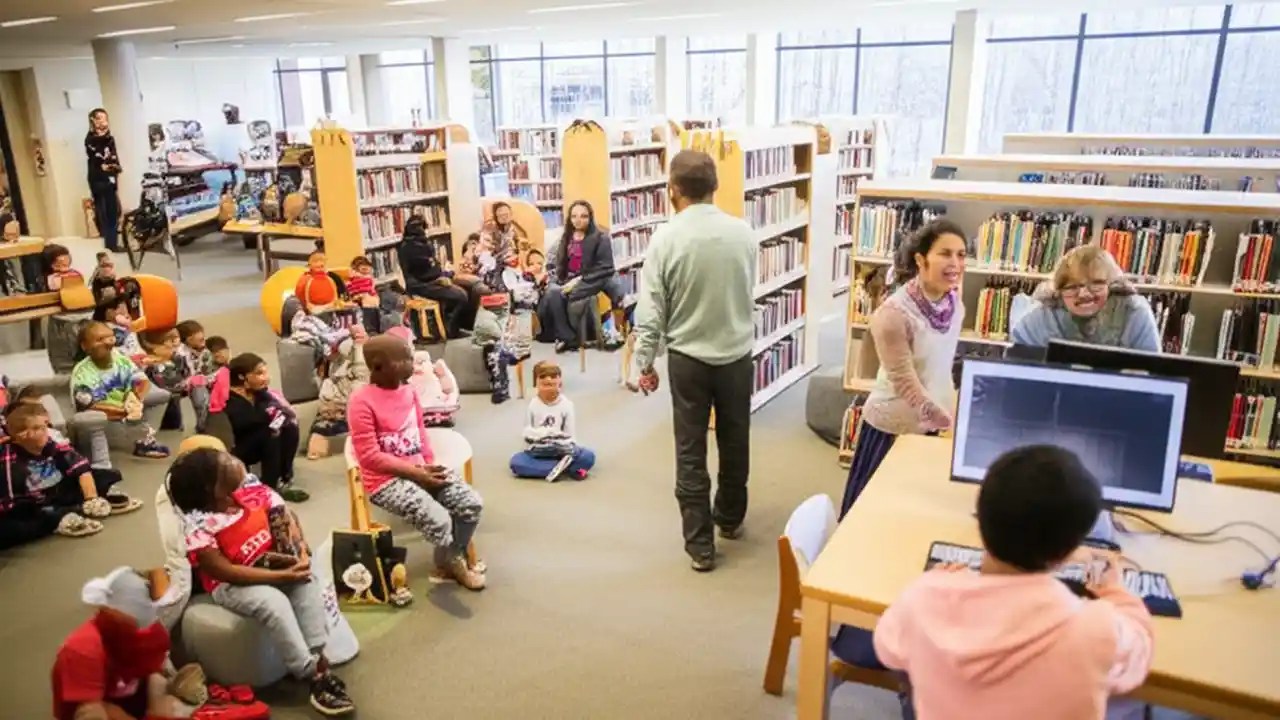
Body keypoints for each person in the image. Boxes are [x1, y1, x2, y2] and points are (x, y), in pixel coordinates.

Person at [872, 445, 1154, 720]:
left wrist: (938, 582)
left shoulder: (923, 599)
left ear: (980, 520)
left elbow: (887, 646)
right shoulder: (1096, 630)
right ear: (1066, 553)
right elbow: (1138, 654)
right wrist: (1114, 591)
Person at [631, 150, 756, 573]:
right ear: (715, 186)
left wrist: (643, 363)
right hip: (738, 355)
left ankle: (700, 545)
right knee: (736, 440)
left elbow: (652, 311)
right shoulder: (744, 233)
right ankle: (731, 517)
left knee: (690, 449)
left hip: (689, 360)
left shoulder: (665, 238)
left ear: (673, 190)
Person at [166, 447, 355, 716]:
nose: (235, 460)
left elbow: (285, 515)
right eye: (226, 463)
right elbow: (223, 571)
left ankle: (318, 659)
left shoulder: (249, 488)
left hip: (271, 561)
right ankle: (311, 676)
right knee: (273, 601)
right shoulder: (197, 524)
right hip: (233, 584)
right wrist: (279, 577)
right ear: (213, 488)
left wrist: (299, 551)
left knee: (306, 577)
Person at [839, 219, 968, 518]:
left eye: (961, 255)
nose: (955, 263)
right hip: (893, 428)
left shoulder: (953, 302)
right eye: (945, 254)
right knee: (872, 518)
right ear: (920, 260)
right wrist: (940, 416)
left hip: (934, 424)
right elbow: (903, 380)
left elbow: (941, 365)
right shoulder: (893, 314)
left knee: (916, 517)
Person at [347, 335, 485, 590]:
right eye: (405, 359)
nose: (414, 363)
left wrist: (427, 465)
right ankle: (454, 561)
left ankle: (450, 559)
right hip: (384, 481)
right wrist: (417, 473)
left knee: (471, 503)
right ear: (379, 366)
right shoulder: (360, 401)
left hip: (419, 469)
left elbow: (420, 432)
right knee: (440, 520)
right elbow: (369, 457)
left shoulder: (409, 391)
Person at [52, 567, 193, 720]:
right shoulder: (83, 648)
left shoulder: (153, 632)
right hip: (94, 705)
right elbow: (90, 710)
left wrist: (158, 712)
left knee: (172, 705)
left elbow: (154, 675)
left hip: (130, 699)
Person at [0, 404, 141, 548]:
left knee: (106, 475)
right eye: (37, 429)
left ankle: (79, 507)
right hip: (28, 505)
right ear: (20, 437)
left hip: (54, 494)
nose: (45, 432)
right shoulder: (10, 459)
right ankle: (62, 515)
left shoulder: (49, 444)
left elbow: (79, 466)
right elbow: (13, 504)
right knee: (14, 527)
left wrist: (91, 498)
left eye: (44, 426)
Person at [1010, 245, 1161, 353]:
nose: (1084, 294)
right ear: (1058, 292)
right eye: (1072, 287)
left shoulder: (1134, 312)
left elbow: (1153, 374)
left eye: (1096, 284)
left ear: (1113, 286)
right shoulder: (1038, 318)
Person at [70, 322, 171, 465]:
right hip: (96, 416)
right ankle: (102, 465)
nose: (108, 343)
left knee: (161, 395)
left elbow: (141, 380)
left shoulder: (119, 358)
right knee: (94, 419)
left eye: (110, 338)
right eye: (100, 340)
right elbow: (90, 405)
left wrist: (134, 398)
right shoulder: (82, 373)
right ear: (85, 346)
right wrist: (125, 411)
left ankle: (143, 440)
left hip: (124, 403)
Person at [223, 353, 308, 502]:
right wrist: (271, 419)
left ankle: (284, 477)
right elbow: (246, 422)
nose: (266, 378)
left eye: (265, 372)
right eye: (259, 373)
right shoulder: (229, 400)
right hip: (237, 449)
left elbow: (282, 413)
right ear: (243, 377)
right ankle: (270, 486)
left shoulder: (260, 394)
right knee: (269, 433)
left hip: (262, 440)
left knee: (289, 428)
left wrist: (278, 419)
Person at [538, 200, 617, 352]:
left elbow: (605, 267)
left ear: (590, 218)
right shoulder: (566, 237)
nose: (578, 220)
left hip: (588, 279)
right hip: (565, 277)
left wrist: (578, 280)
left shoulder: (600, 238)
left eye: (583, 216)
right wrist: (552, 275)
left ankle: (568, 338)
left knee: (562, 293)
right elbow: (557, 262)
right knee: (551, 292)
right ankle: (567, 337)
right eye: (574, 216)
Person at [509, 360, 596, 482]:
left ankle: (557, 469)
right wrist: (544, 434)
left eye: (553, 377)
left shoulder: (567, 405)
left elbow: (570, 436)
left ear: (560, 382)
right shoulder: (532, 405)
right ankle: (566, 469)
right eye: (543, 377)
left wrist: (558, 439)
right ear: (536, 383)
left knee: (588, 456)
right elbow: (527, 432)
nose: (548, 380)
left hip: (562, 450)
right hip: (538, 450)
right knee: (516, 462)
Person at [398, 215, 471, 338]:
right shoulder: (416, 247)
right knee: (461, 296)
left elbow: (430, 267)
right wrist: (445, 275)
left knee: (461, 288)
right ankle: (450, 330)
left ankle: (451, 326)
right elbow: (427, 272)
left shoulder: (408, 244)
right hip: (422, 285)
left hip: (423, 282)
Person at [140, 328, 209, 433]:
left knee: (199, 389)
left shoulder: (178, 357)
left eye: (174, 341)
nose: (173, 346)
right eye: (167, 342)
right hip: (166, 391)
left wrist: (188, 380)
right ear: (154, 348)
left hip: (180, 386)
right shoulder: (150, 366)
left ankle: (203, 424)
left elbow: (187, 372)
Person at [85, 108, 122, 252]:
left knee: (114, 211)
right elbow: (97, 158)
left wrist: (115, 166)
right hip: (98, 180)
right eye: (100, 118)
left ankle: (113, 243)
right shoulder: (90, 139)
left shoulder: (110, 138)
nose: (104, 122)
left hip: (110, 179)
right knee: (104, 212)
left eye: (105, 118)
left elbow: (113, 157)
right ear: (93, 120)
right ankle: (107, 243)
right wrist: (105, 166)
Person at [207, 335, 231, 413]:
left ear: (227, 350)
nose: (217, 354)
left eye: (220, 350)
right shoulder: (209, 372)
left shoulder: (237, 366)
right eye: (213, 352)